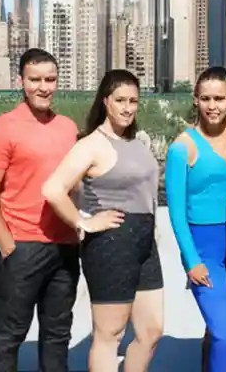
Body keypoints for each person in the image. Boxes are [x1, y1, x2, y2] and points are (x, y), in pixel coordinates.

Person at [42, 70, 164, 372]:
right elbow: (53, 189)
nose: (127, 107)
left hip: (144, 244)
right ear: (105, 101)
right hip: (112, 244)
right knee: (110, 335)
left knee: (151, 331)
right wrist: (84, 223)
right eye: (120, 100)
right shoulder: (93, 144)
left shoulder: (137, 142)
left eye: (133, 100)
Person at [0, 48, 81, 372]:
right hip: (21, 248)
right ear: (21, 81)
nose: (43, 87)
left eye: (50, 79)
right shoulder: (3, 128)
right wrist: (7, 245)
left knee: (57, 336)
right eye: (35, 79)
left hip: (64, 249)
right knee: (10, 336)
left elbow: (75, 186)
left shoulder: (67, 127)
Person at [165, 66, 226, 372]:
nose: (212, 105)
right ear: (195, 100)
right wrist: (191, 260)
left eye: (219, 98)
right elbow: (175, 212)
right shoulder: (182, 148)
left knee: (217, 332)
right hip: (205, 252)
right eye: (205, 98)